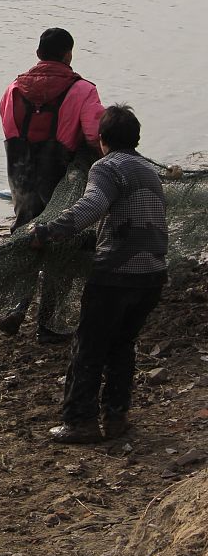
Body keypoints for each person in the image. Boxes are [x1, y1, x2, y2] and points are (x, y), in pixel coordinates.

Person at [30, 105, 168, 444]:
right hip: (152, 275)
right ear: (136, 139)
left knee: (88, 348)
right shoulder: (150, 171)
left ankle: (81, 423)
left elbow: (90, 207)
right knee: (122, 345)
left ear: (102, 140)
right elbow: (130, 217)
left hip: (116, 275)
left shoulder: (106, 166)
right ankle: (116, 419)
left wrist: (48, 231)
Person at [0, 28, 106, 342]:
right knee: (63, 237)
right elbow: (94, 135)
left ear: (38, 54)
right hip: (60, 175)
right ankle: (49, 324)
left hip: (20, 172)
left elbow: (8, 127)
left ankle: (17, 305)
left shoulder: (13, 88)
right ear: (68, 54)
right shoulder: (83, 90)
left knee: (23, 232)